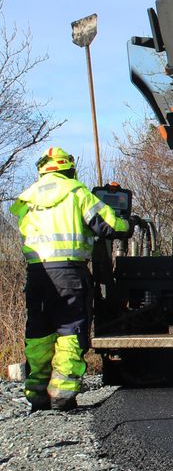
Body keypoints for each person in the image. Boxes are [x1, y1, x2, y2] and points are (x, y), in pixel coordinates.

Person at [10, 147, 130, 410]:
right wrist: (127, 225)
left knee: (39, 331)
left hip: (37, 273)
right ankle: (62, 395)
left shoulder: (27, 198)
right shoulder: (77, 192)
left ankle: (37, 394)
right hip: (68, 273)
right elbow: (109, 226)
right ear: (68, 169)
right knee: (70, 330)